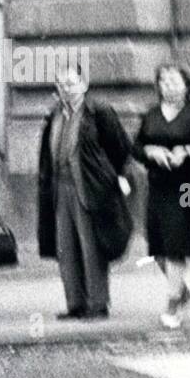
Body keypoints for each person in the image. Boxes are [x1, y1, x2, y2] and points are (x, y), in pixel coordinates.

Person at [37, 63, 133, 320]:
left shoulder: (98, 112)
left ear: (84, 84)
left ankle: (98, 303)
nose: (66, 89)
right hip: (60, 188)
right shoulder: (55, 114)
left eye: (70, 83)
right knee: (65, 248)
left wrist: (115, 178)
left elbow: (120, 148)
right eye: (60, 84)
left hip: (89, 187)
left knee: (92, 247)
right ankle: (75, 303)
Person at [133, 64, 190, 329]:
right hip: (158, 185)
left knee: (177, 241)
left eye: (174, 81)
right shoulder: (150, 115)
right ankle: (183, 293)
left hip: (186, 188)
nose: (168, 86)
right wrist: (150, 152)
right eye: (163, 81)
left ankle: (173, 304)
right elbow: (136, 146)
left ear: (186, 85)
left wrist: (188, 150)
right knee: (158, 246)